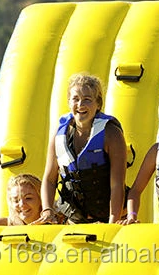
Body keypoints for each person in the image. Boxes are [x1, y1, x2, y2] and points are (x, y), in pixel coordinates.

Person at [37, 73, 127, 224]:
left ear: (98, 104)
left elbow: (117, 183)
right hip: (74, 218)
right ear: (69, 102)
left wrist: (113, 221)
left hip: (110, 215)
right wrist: (47, 210)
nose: (80, 104)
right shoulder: (59, 134)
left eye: (87, 99)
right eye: (75, 99)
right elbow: (50, 179)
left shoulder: (111, 134)